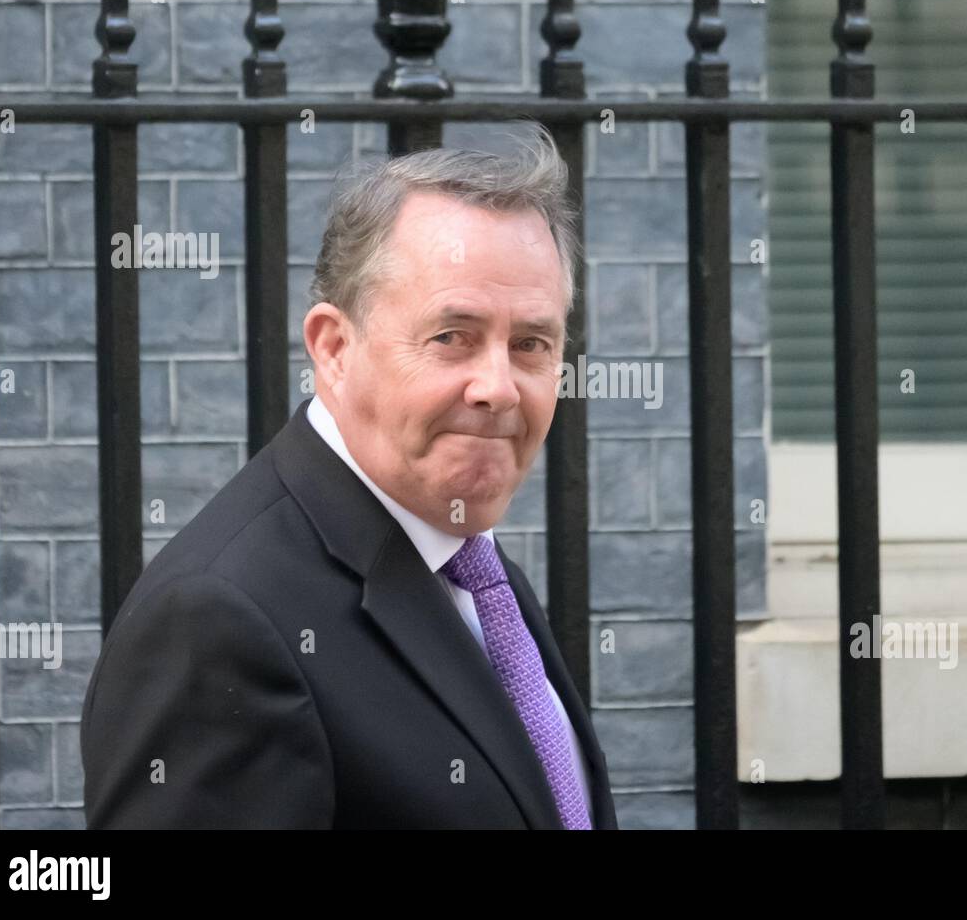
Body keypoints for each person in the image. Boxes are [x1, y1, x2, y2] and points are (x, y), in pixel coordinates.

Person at [80, 124, 617, 829]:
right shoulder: (218, 626)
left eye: (531, 344)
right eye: (451, 337)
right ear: (334, 349)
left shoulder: (469, 566)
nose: (499, 388)